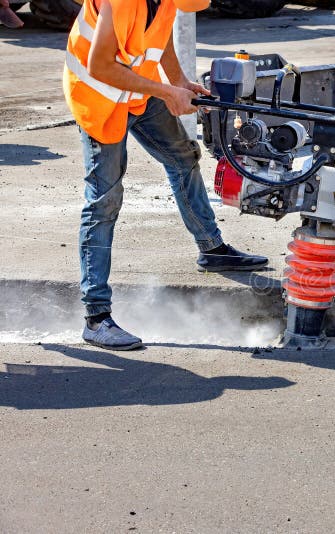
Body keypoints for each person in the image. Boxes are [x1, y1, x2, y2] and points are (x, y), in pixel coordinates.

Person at [64, 0, 269, 351]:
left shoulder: (164, 1)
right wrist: (166, 92)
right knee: (104, 200)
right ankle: (96, 317)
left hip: (135, 93)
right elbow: (100, 66)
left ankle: (212, 248)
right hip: (98, 97)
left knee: (183, 155)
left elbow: (159, 40)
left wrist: (179, 82)